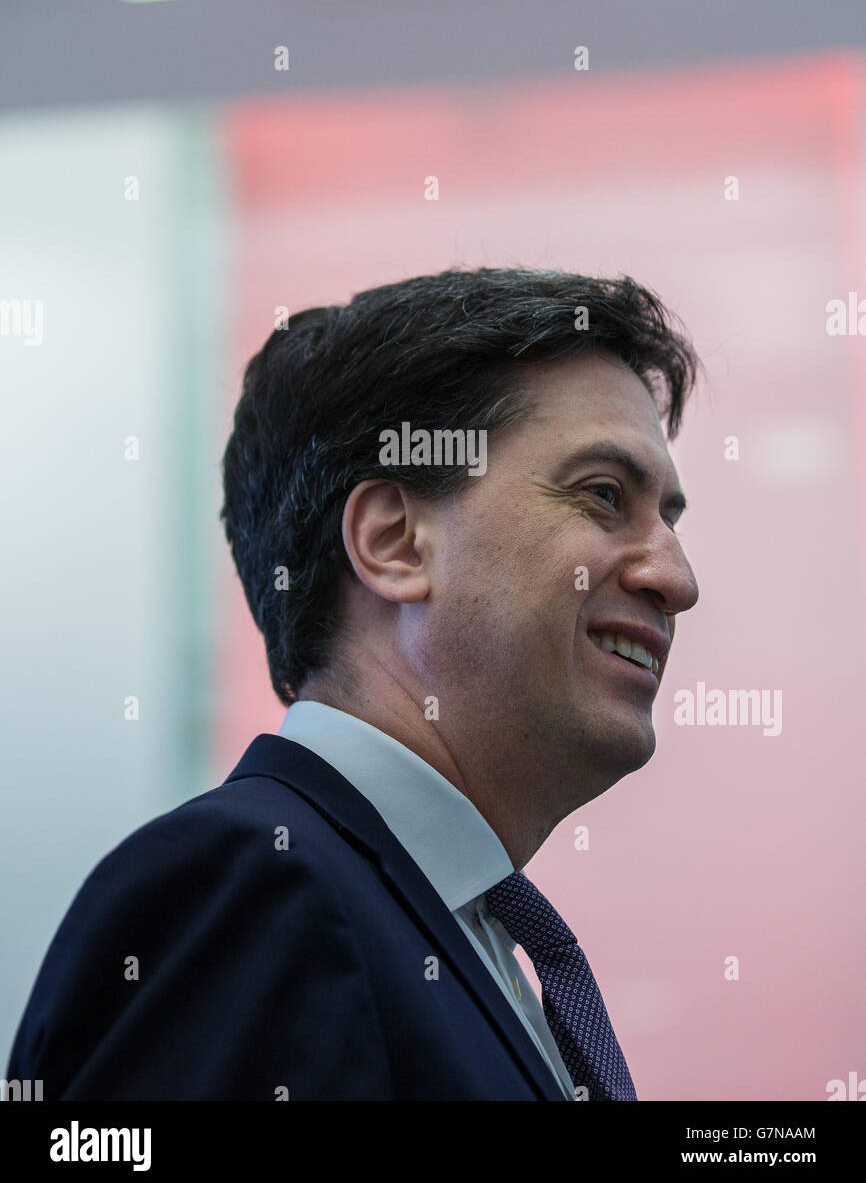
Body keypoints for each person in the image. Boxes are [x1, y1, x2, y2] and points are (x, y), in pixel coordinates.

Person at [7, 266, 700, 1100]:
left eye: (668, 517)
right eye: (602, 494)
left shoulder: (446, 928)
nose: (676, 575)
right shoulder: (256, 886)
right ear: (395, 544)